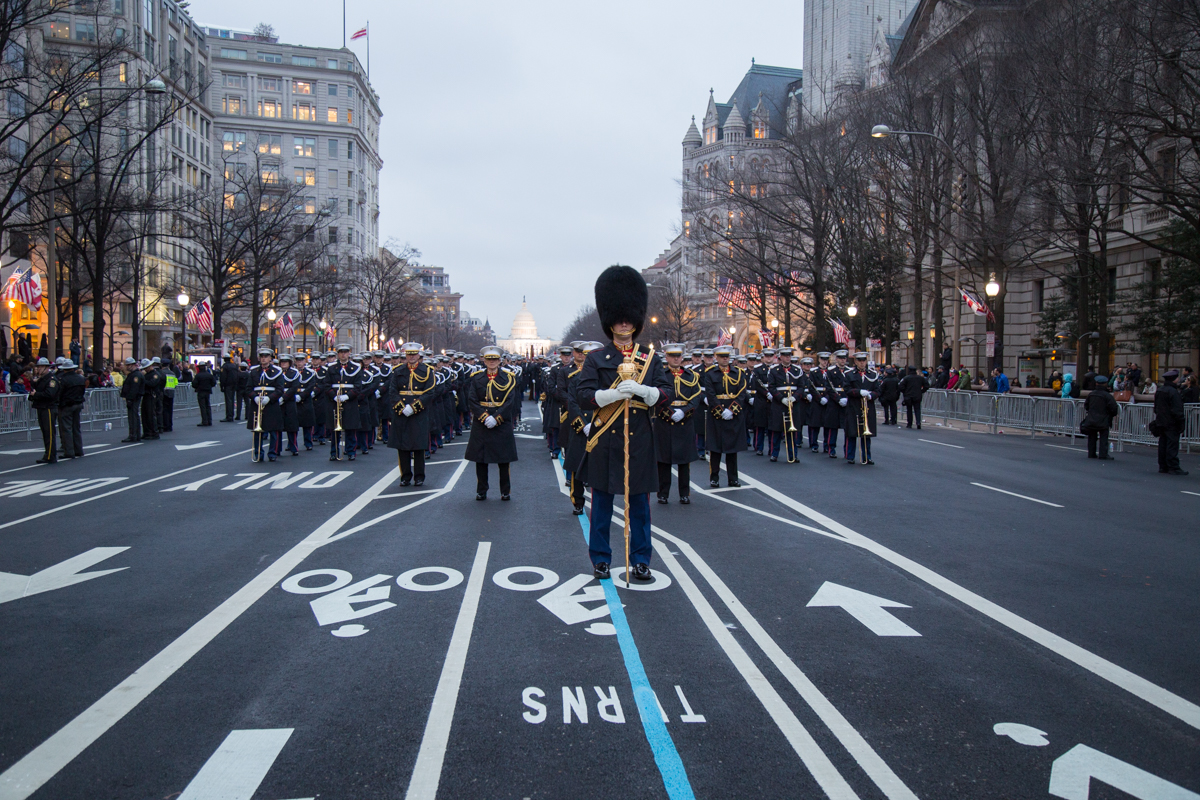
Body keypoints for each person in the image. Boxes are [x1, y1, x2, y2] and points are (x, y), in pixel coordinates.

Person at [577, 265, 672, 582]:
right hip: (606, 441)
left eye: (628, 318)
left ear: (637, 319)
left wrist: (646, 392)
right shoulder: (596, 359)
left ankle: (641, 559)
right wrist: (608, 395)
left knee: (640, 510)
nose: (624, 322)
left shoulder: (650, 358)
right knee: (602, 507)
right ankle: (601, 559)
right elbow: (583, 395)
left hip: (640, 441)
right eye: (618, 318)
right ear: (609, 320)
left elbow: (668, 393)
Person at [466, 345, 521, 500]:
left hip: (500, 421)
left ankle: (505, 490)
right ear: (484, 360)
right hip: (481, 421)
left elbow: (510, 401)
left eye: (495, 359)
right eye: (489, 359)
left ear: (500, 361)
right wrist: (484, 417)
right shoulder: (477, 378)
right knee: (481, 459)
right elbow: (472, 400)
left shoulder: (508, 378)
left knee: (503, 459)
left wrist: (496, 417)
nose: (492, 362)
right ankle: (481, 489)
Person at [653, 343, 702, 504]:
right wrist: (668, 413)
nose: (675, 358)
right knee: (664, 460)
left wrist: (684, 412)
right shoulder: (660, 376)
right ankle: (663, 493)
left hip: (684, 420)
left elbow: (696, 397)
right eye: (672, 356)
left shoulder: (691, 376)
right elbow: (654, 397)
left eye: (678, 356)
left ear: (682, 357)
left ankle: (684, 493)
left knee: (684, 460)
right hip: (665, 421)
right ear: (666, 357)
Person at [388, 342, 436, 486]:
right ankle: (405, 476)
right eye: (409, 354)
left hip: (418, 413)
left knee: (418, 446)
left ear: (419, 355)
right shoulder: (398, 371)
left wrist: (414, 407)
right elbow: (393, 391)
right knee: (402, 446)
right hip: (401, 412)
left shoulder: (427, 371)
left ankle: (419, 476)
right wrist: (401, 407)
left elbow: (429, 392)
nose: (411, 357)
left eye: (414, 354)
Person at [564, 341, 601, 512]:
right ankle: (578, 501)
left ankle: (600, 503)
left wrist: (597, 425)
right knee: (577, 466)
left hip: (600, 427)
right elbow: (571, 404)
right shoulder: (575, 379)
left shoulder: (606, 379)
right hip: (581, 429)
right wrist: (583, 426)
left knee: (600, 468)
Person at [703, 345, 748, 486]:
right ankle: (714, 477)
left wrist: (732, 410)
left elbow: (741, 393)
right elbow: (710, 394)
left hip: (733, 415)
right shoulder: (710, 373)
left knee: (732, 450)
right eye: (722, 357)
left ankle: (733, 478)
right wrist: (719, 411)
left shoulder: (738, 373)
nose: (725, 359)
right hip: (716, 415)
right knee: (715, 449)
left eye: (727, 357)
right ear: (716, 357)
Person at [323, 344, 364, 461]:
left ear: (349, 353)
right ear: (338, 354)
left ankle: (351, 451)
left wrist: (347, 396)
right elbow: (326, 385)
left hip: (349, 402)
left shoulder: (355, 368)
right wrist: (334, 396)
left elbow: (358, 387)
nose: (343, 354)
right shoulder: (331, 368)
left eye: (345, 352)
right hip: (334, 401)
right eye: (341, 352)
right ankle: (334, 452)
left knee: (350, 428)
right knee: (335, 430)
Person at [766, 347, 804, 463]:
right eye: (785, 356)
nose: (788, 357)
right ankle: (774, 453)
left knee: (792, 431)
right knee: (777, 430)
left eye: (789, 355)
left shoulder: (797, 370)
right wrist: (781, 398)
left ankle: (793, 454)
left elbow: (802, 387)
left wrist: (795, 397)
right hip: (779, 404)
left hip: (793, 403)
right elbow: (771, 387)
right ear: (780, 357)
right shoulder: (774, 370)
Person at [844, 353, 880, 464]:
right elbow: (847, 389)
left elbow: (878, 390)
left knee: (866, 433)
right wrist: (859, 392)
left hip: (867, 406)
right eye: (859, 360)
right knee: (852, 432)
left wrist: (871, 395)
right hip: (854, 405)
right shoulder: (849, 374)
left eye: (863, 360)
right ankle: (850, 456)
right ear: (855, 361)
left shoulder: (873, 374)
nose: (862, 362)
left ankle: (867, 457)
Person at [1152, 369, 1188, 475]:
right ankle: (1173, 466)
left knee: (1163, 444)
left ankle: (1163, 466)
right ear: (1175, 379)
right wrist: (1181, 422)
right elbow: (1177, 409)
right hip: (1171, 422)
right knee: (1172, 445)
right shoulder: (1173, 392)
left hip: (1161, 421)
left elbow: (1156, 407)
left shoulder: (1160, 390)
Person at [29, 358, 60, 464]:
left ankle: (51, 455)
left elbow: (50, 394)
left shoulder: (51, 380)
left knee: (49, 432)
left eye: (41, 367)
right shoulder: (41, 380)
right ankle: (48, 453)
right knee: (45, 432)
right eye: (38, 367)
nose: (38, 369)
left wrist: (36, 395)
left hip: (48, 408)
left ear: (46, 368)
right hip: (42, 407)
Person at [1081, 375, 1119, 460]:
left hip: (1092, 419)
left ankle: (1091, 453)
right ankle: (1103, 454)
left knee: (1092, 437)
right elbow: (1113, 408)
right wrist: (1110, 415)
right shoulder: (1107, 396)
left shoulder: (1091, 394)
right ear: (1105, 384)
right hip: (1103, 419)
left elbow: (1086, 406)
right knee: (1103, 438)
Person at [57, 360, 86, 459]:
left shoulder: (62, 379)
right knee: (76, 427)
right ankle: (78, 449)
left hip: (66, 405)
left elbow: (59, 393)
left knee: (66, 428)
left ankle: (69, 451)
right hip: (78, 403)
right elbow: (82, 391)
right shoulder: (80, 378)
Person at [120, 357, 144, 442]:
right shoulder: (133, 374)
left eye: (128, 365)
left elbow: (134, 388)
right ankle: (135, 434)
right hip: (133, 398)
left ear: (132, 365)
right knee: (134, 416)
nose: (126, 367)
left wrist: (130, 398)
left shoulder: (136, 375)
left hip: (134, 398)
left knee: (133, 416)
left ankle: (133, 434)